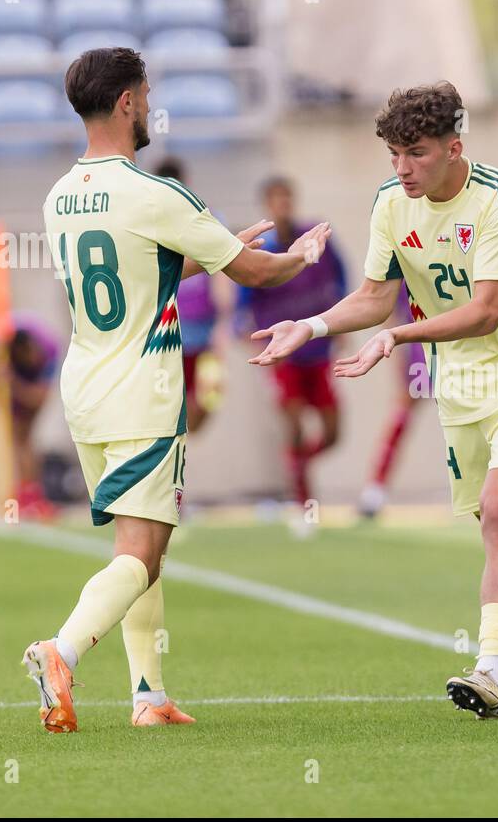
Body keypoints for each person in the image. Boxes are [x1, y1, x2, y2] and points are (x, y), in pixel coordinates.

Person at [250, 81, 498, 718]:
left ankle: (490, 671)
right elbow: (375, 297)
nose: (403, 168)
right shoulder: (391, 202)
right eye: (394, 154)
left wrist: (397, 336)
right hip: (458, 387)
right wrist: (313, 326)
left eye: (416, 153)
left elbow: (486, 311)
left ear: (453, 147)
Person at [24, 47, 331, 732]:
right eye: (147, 94)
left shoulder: (59, 195)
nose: (151, 106)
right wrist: (297, 257)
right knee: (143, 550)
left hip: (86, 388)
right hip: (142, 391)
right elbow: (255, 274)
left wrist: (214, 249)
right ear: (127, 101)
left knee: (139, 547)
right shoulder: (157, 193)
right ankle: (60, 652)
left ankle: (149, 696)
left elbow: (137, 270)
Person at [238, 175, 347, 506]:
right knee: (295, 426)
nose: (282, 205)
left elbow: (341, 279)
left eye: (286, 198)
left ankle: (297, 465)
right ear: (267, 206)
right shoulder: (263, 252)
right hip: (284, 355)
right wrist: (250, 337)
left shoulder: (313, 239)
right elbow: (243, 303)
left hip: (318, 347)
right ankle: (304, 503)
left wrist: (342, 322)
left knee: (332, 434)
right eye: (276, 200)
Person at [153, 158, 235, 436]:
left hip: (204, 336)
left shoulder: (207, 220)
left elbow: (222, 275)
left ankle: (180, 441)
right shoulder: (149, 225)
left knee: (207, 402)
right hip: (166, 339)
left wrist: (224, 324)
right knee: (167, 415)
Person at [0, 311, 61, 519]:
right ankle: (22, 494)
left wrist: (15, 384)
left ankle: (31, 495)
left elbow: (39, 398)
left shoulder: (49, 348)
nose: (34, 357)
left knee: (25, 438)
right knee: (15, 440)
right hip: (3, 375)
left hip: (21, 380)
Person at [357, 286, 429, 519]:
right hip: (422, 343)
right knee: (403, 412)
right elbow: (387, 307)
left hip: (461, 341)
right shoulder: (403, 269)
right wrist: (397, 356)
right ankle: (375, 487)